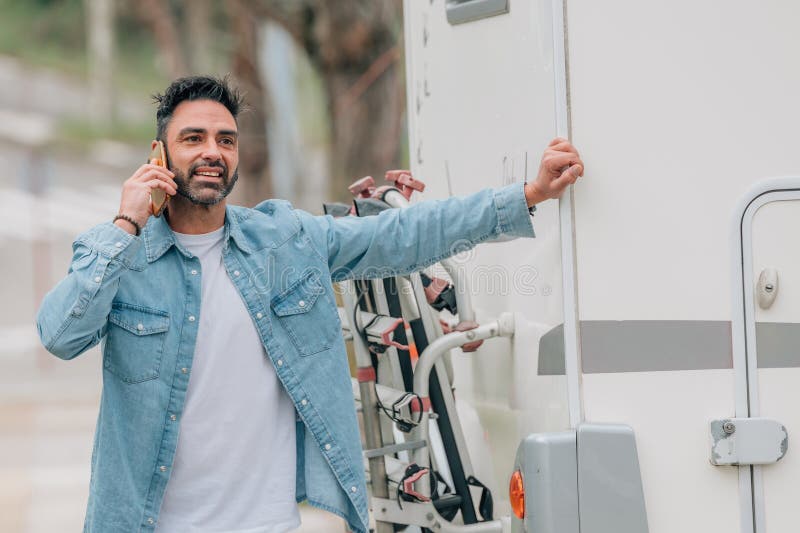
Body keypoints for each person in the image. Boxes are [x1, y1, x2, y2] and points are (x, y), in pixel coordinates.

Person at [35, 75, 584, 533]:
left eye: (225, 140)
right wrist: (127, 221)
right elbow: (60, 335)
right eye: (193, 138)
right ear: (158, 153)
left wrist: (525, 195)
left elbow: (405, 234)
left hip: (267, 523)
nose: (212, 152)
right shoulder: (118, 254)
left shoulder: (284, 241)